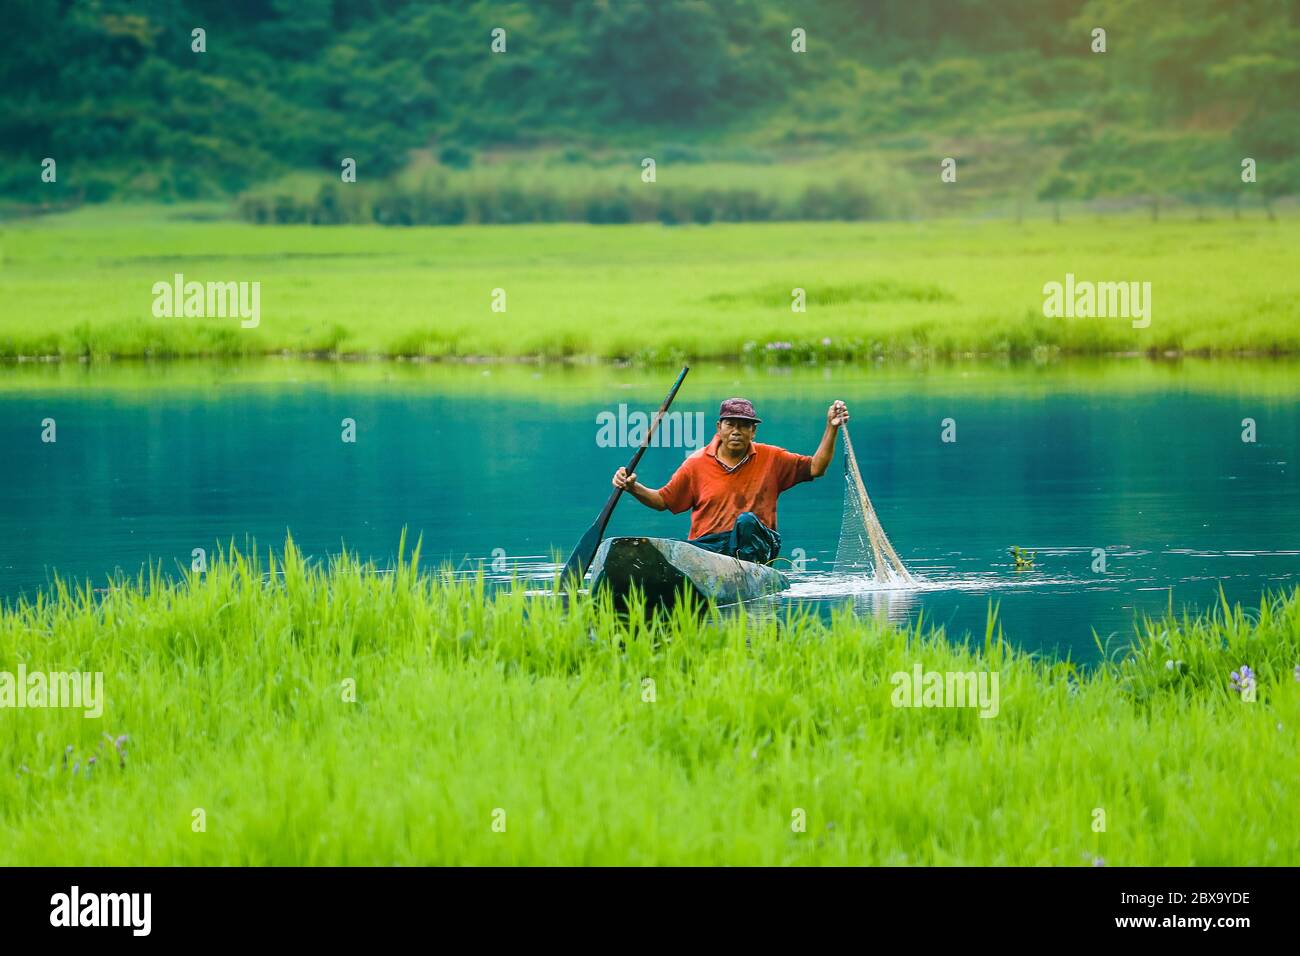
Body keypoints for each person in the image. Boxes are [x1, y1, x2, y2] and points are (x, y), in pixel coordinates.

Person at [612, 397, 849, 564]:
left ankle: (745, 572)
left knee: (745, 522)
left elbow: (816, 468)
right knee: (672, 549)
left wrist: (831, 427)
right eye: (731, 424)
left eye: (744, 426)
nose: (737, 431)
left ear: (753, 432)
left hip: (756, 547)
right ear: (719, 428)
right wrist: (632, 487)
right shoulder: (696, 463)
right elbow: (662, 500)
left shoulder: (772, 458)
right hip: (710, 548)